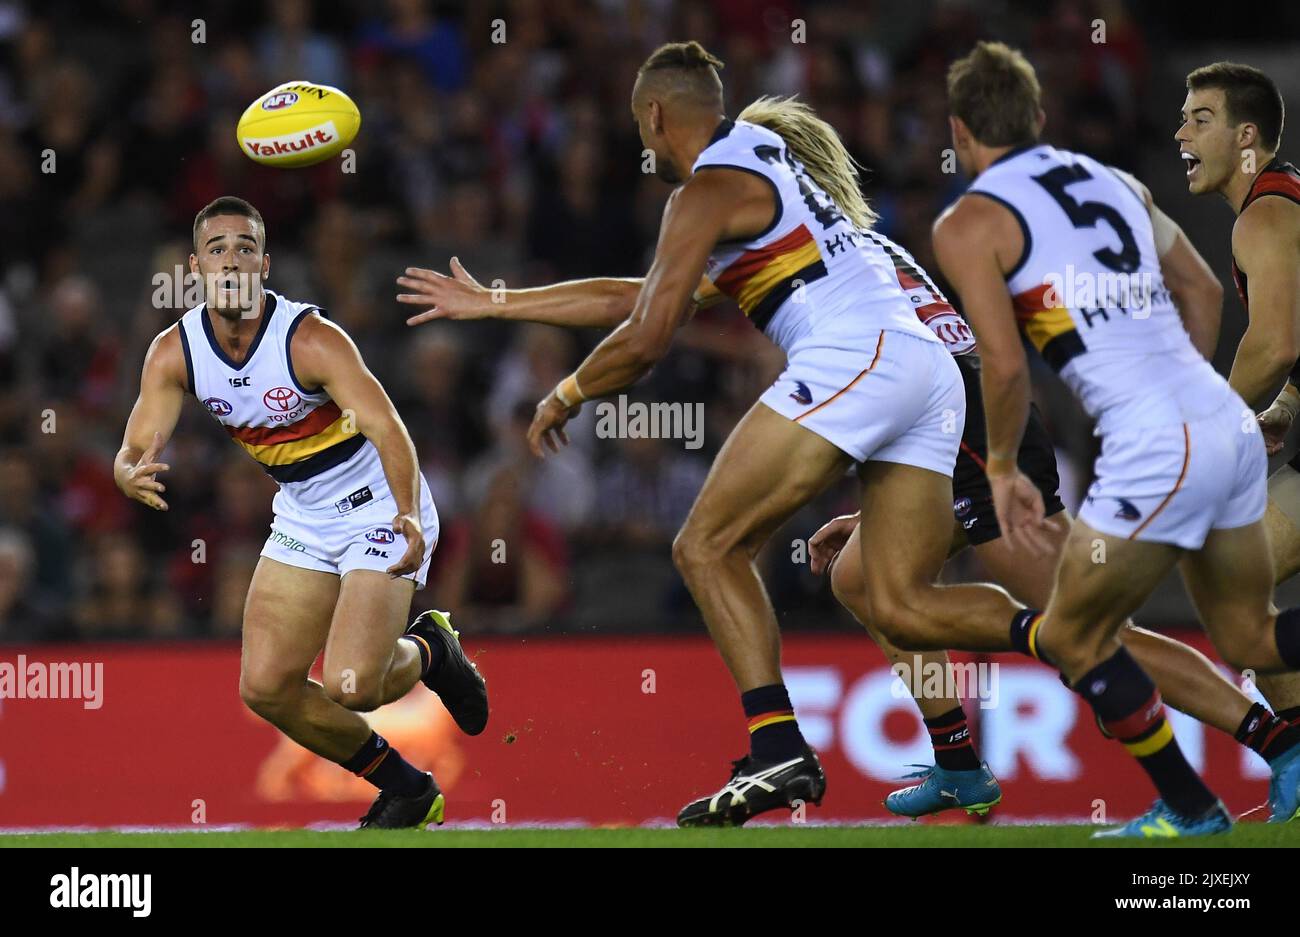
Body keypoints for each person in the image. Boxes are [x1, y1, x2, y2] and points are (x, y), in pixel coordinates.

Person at [403, 40, 1037, 827]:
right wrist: (500, 302)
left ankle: (779, 747)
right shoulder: (767, 169)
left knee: (705, 545)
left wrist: (565, 391)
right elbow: (641, 295)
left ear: (656, 115)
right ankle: (1017, 683)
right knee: (892, 595)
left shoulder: (706, 190)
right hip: (922, 370)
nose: (641, 145)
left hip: (869, 360)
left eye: (641, 128)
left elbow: (646, 335)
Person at [932, 42, 1300, 836]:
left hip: (1161, 442)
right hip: (1223, 428)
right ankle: (1233, 779)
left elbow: (1002, 366)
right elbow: (1201, 288)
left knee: (1070, 631)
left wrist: (999, 466)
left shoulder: (968, 222)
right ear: (1036, 118)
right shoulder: (1117, 181)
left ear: (961, 133)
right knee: (1248, 635)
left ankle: (1193, 807)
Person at [115, 196, 487, 830]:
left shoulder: (310, 339)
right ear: (195, 267)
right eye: (217, 249)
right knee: (265, 687)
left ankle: (431, 649)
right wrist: (127, 473)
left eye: (243, 247)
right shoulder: (174, 353)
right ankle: (408, 790)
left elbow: (390, 431)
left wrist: (411, 515)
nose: (231, 260)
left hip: (378, 505)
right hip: (302, 514)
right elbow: (132, 446)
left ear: (265, 263)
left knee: (352, 685)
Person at [1177, 61, 1300, 756]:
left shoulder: (1266, 215)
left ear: (1247, 136)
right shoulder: (1282, 203)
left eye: (1201, 119)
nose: (1180, 133)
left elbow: (1276, 340)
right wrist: (1284, 404)